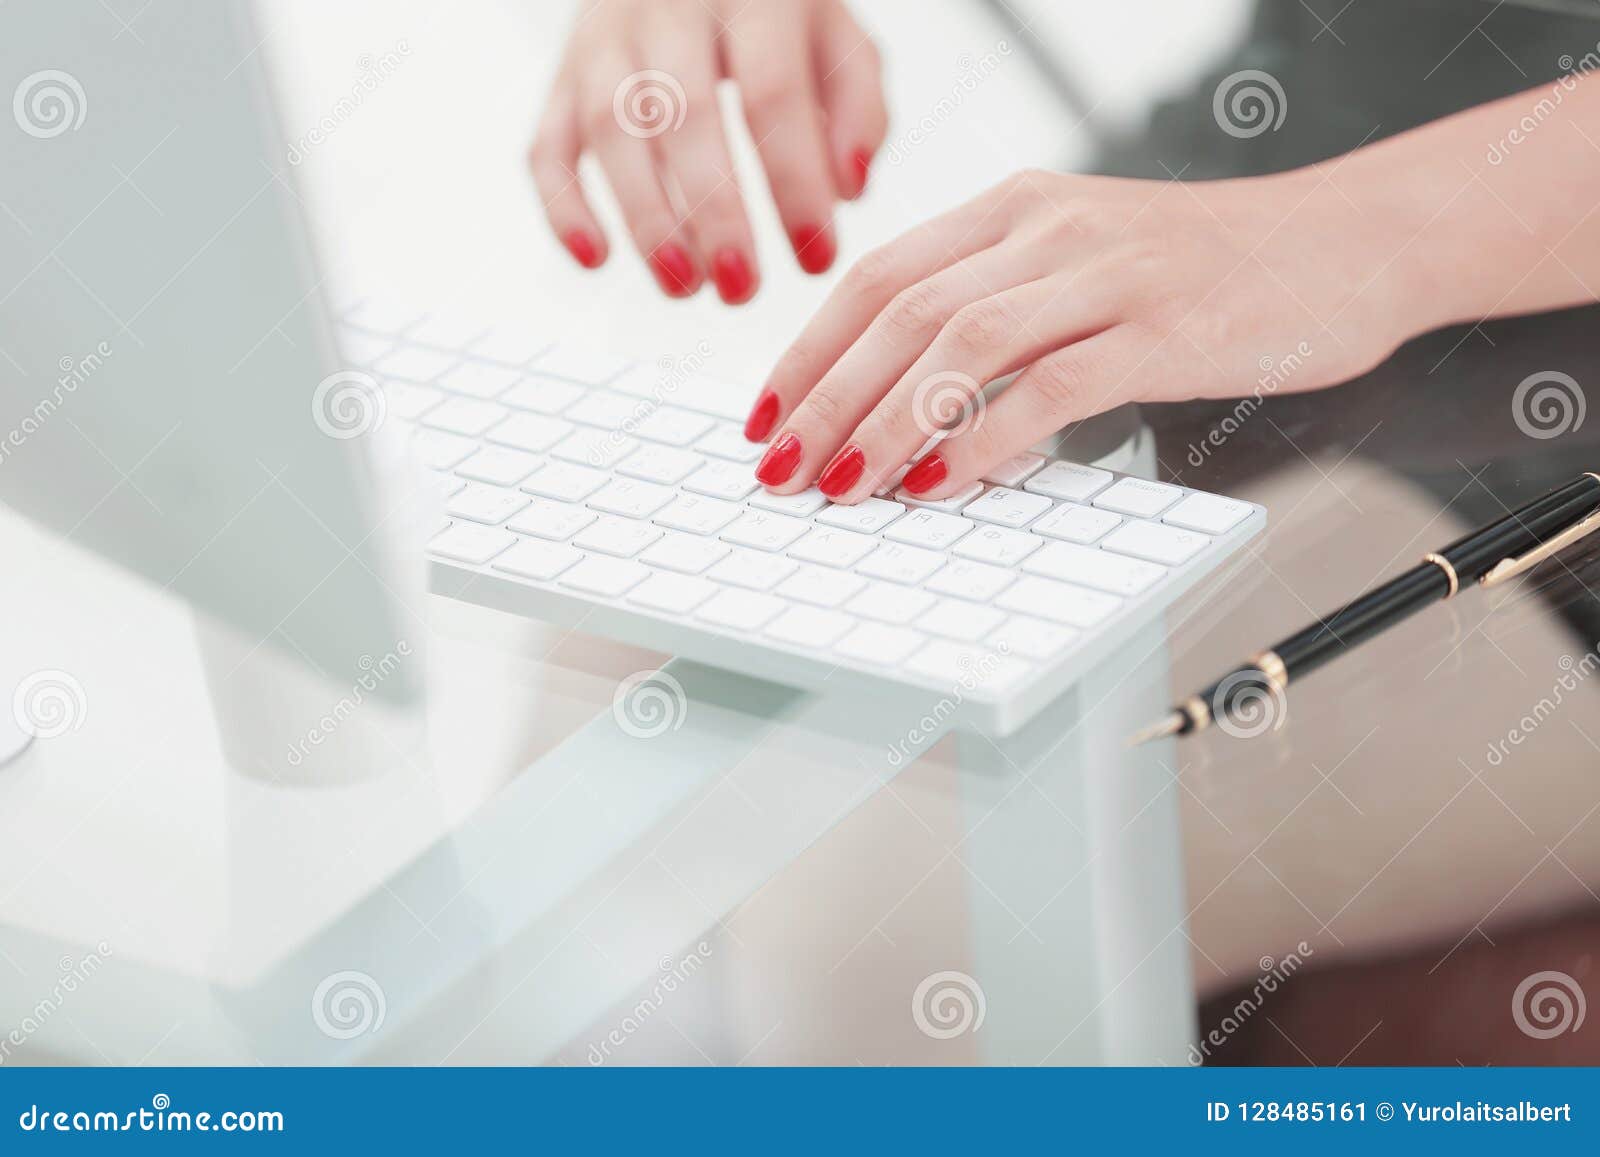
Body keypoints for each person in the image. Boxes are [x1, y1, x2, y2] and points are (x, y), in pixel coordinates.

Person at [532, 0, 1600, 507]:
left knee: (872, 854)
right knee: (651, 635)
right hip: (1268, 135)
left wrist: (1336, 238)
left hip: (1533, 297)